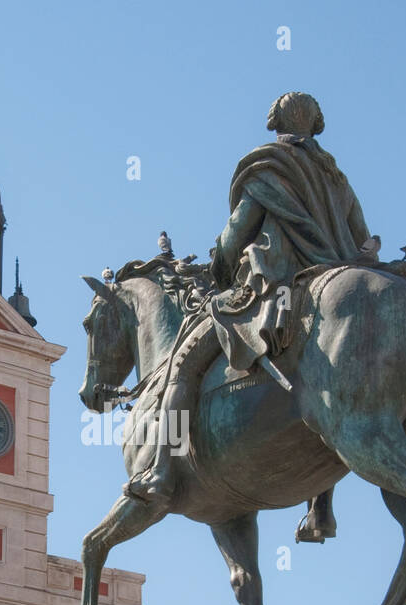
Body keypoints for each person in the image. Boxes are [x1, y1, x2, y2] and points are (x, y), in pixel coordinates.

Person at [123, 92, 370, 543]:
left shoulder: (268, 168)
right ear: (315, 124)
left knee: (181, 363)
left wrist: (219, 260)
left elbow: (237, 233)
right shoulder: (337, 178)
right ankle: (321, 505)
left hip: (272, 287)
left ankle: (160, 465)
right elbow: (361, 239)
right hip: (328, 283)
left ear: (276, 122)